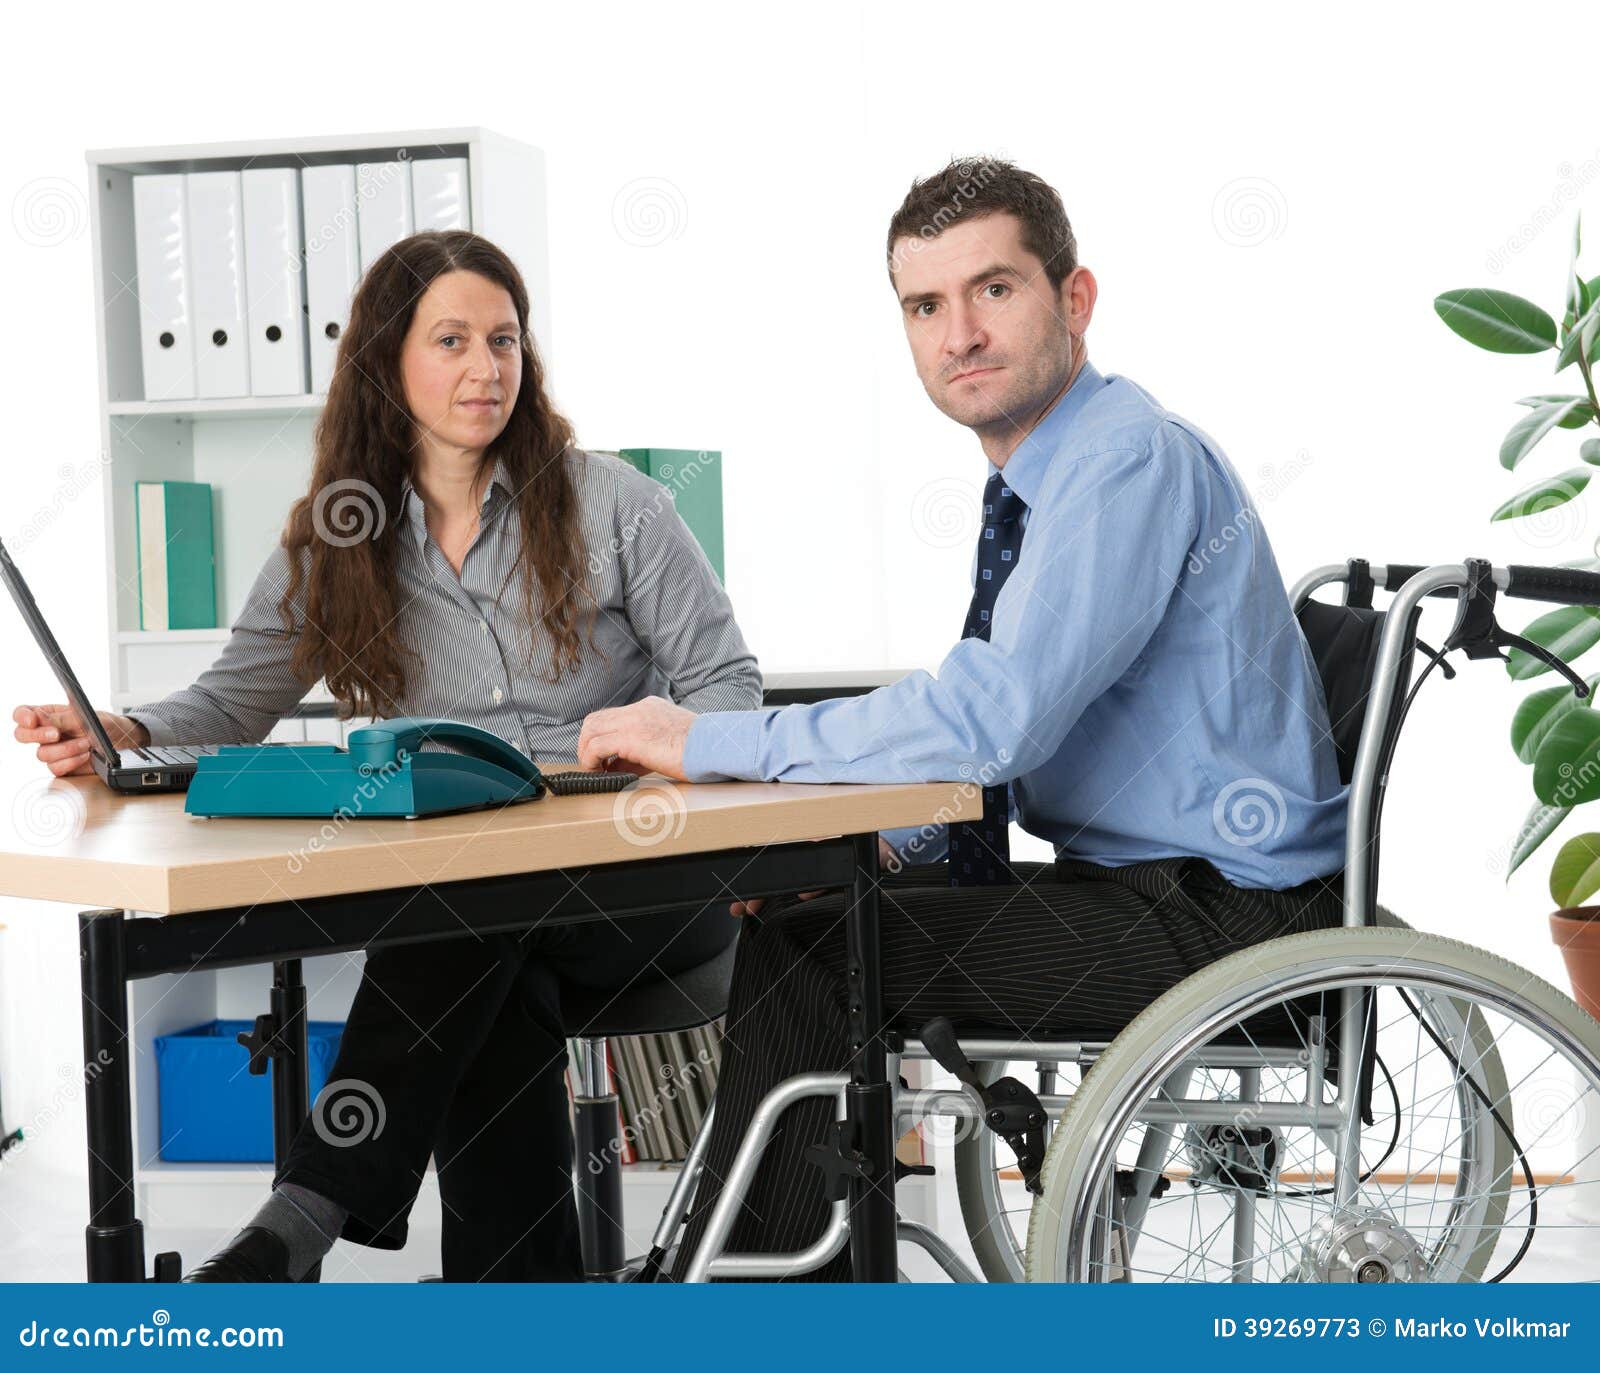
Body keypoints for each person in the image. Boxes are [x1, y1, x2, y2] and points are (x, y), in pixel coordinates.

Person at [576, 158, 1349, 1279]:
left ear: (1073, 300)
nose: (959, 333)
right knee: (819, 902)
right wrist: (878, 832)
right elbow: (1002, 716)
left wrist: (700, 740)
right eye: (925, 305)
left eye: (993, 290)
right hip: (1168, 884)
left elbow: (994, 721)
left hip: (1233, 921)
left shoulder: (1120, 462)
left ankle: (754, 1295)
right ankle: (779, 1270)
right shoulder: (1060, 469)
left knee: (818, 948)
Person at [13, 230, 760, 1282]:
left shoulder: (616, 507)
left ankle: (301, 1220)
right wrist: (120, 732)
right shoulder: (336, 536)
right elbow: (233, 700)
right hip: (481, 911)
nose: (485, 367)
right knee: (482, 957)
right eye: (450, 339)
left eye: (503, 339)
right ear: (386, 362)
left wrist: (658, 747)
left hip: (639, 887)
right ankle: (519, 1312)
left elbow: (728, 690)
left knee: (454, 929)